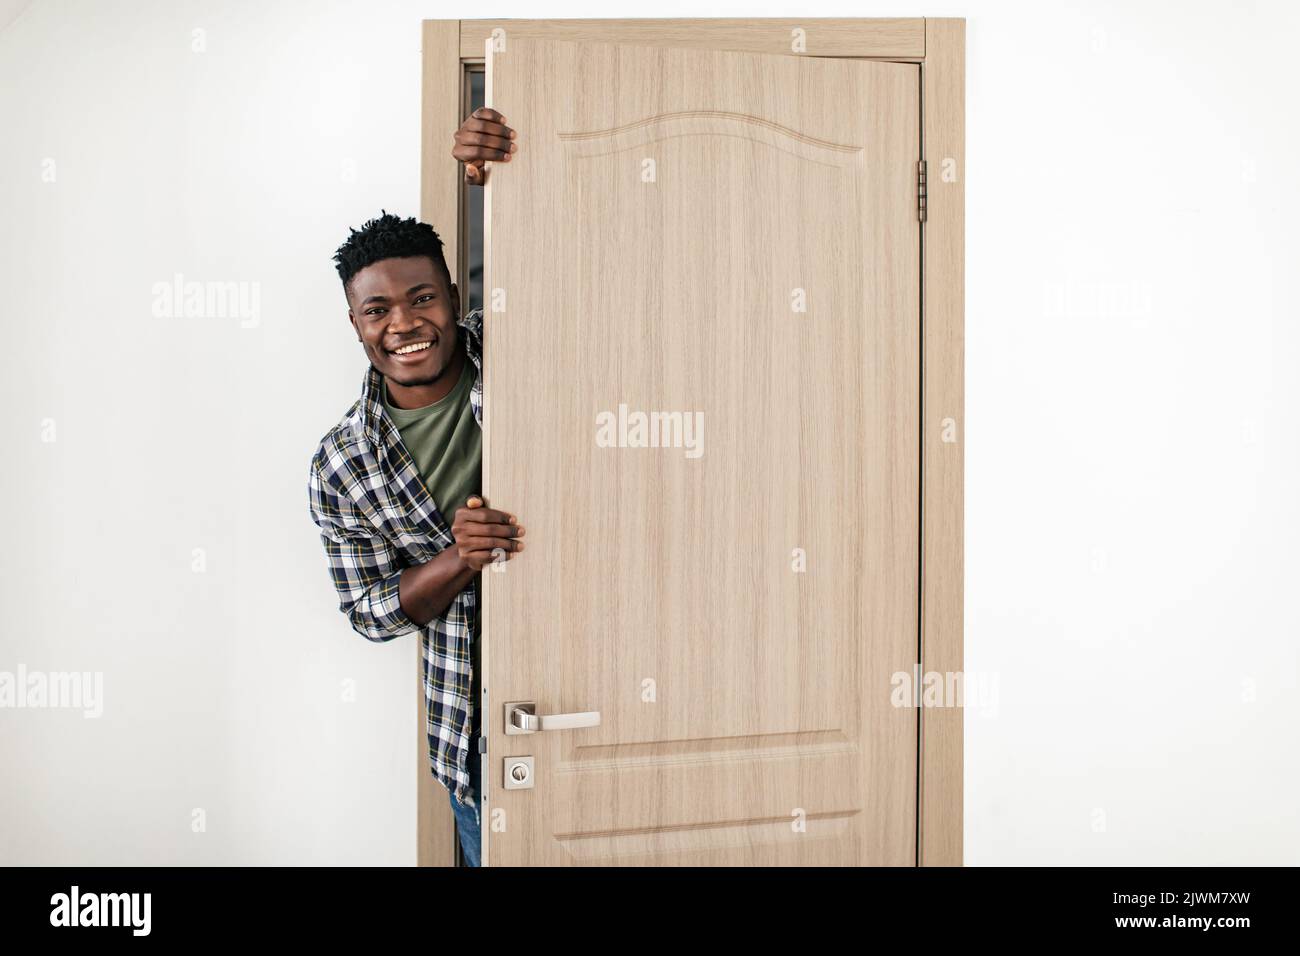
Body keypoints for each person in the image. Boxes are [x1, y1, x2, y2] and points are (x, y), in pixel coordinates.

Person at [307, 106, 521, 868]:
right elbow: (369, 613)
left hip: (597, 698)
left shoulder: (522, 350)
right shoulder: (342, 464)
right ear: (356, 324)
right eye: (378, 310)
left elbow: (573, 258)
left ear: (453, 296)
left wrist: (487, 177)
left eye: (423, 298)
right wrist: (460, 559)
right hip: (476, 743)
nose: (405, 323)